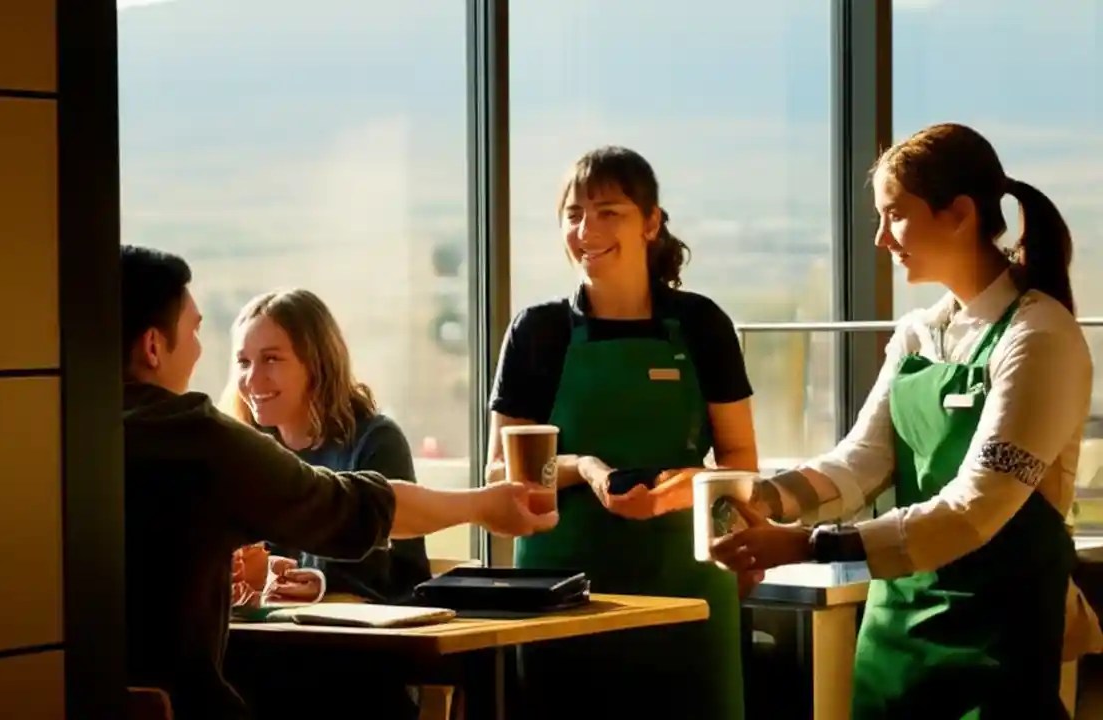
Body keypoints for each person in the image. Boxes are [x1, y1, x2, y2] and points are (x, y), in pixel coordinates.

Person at [710, 122, 1099, 719]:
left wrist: (808, 544)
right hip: (894, 633)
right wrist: (762, 498)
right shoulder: (919, 332)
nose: (880, 238)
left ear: (960, 214)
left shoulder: (1040, 335)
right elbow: (861, 461)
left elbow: (975, 508)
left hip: (998, 639)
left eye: (894, 215)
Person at [120, 245, 558, 720]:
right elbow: (358, 508)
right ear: (153, 346)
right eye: (194, 331)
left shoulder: (66, 430)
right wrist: (483, 506)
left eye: (272, 359)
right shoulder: (205, 441)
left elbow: (389, 564)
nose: (202, 351)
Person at [487, 146, 759, 719]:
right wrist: (587, 469)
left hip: (689, 592)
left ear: (651, 222)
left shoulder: (702, 325)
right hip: (560, 601)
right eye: (574, 214)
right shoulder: (537, 332)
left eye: (609, 212)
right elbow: (500, 474)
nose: (587, 230)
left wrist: (678, 492)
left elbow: (741, 462)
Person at [217, 288, 431, 720]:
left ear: (316, 362)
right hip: (266, 654)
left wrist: (312, 579)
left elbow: (374, 569)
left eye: (271, 359)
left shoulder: (374, 441)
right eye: (243, 362)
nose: (252, 379)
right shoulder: (245, 448)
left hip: (356, 662)